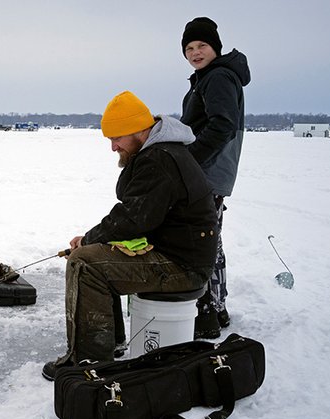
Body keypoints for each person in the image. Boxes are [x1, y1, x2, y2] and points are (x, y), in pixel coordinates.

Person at [42, 91, 218, 380]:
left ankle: (90, 361)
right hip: (177, 255)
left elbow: (132, 218)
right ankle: (112, 343)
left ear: (139, 130)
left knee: (85, 264)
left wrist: (88, 241)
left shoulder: (159, 159)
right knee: (96, 255)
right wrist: (96, 238)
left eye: (117, 138)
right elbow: (138, 216)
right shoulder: (160, 151)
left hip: (183, 266)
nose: (113, 147)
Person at [180, 17, 250, 339]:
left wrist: (189, 162)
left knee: (201, 244)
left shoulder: (218, 77)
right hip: (212, 174)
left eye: (202, 46)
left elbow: (222, 125)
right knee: (212, 242)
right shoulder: (207, 78)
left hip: (207, 174)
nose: (195, 52)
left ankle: (205, 314)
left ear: (215, 47)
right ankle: (216, 309)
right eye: (189, 48)